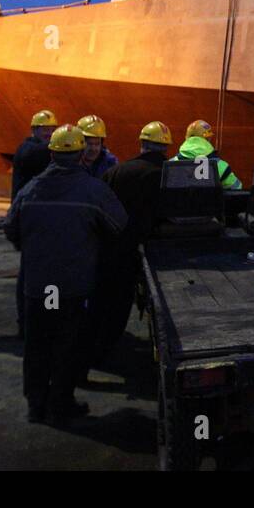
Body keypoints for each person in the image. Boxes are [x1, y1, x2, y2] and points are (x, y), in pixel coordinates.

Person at [5, 125, 127, 426]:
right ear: (80, 154)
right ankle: (61, 404)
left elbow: (11, 229)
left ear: (52, 153)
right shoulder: (93, 190)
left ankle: (36, 406)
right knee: (66, 346)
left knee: (36, 347)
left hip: (37, 287)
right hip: (72, 287)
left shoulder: (30, 189)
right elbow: (119, 226)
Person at [96, 121, 172, 364]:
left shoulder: (117, 171)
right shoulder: (171, 173)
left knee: (111, 300)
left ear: (141, 144)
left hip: (116, 249)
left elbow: (100, 208)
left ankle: (102, 349)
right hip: (158, 250)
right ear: (165, 148)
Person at [10, 109, 58, 338]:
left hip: (39, 221)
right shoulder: (29, 151)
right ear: (34, 130)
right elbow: (41, 156)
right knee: (33, 276)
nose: (49, 134)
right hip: (32, 222)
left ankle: (41, 319)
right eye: (45, 130)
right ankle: (28, 322)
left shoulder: (33, 150)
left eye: (51, 130)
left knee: (44, 275)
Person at [175, 120, 242, 189]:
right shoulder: (219, 165)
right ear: (208, 139)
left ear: (187, 138)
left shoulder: (172, 163)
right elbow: (236, 188)